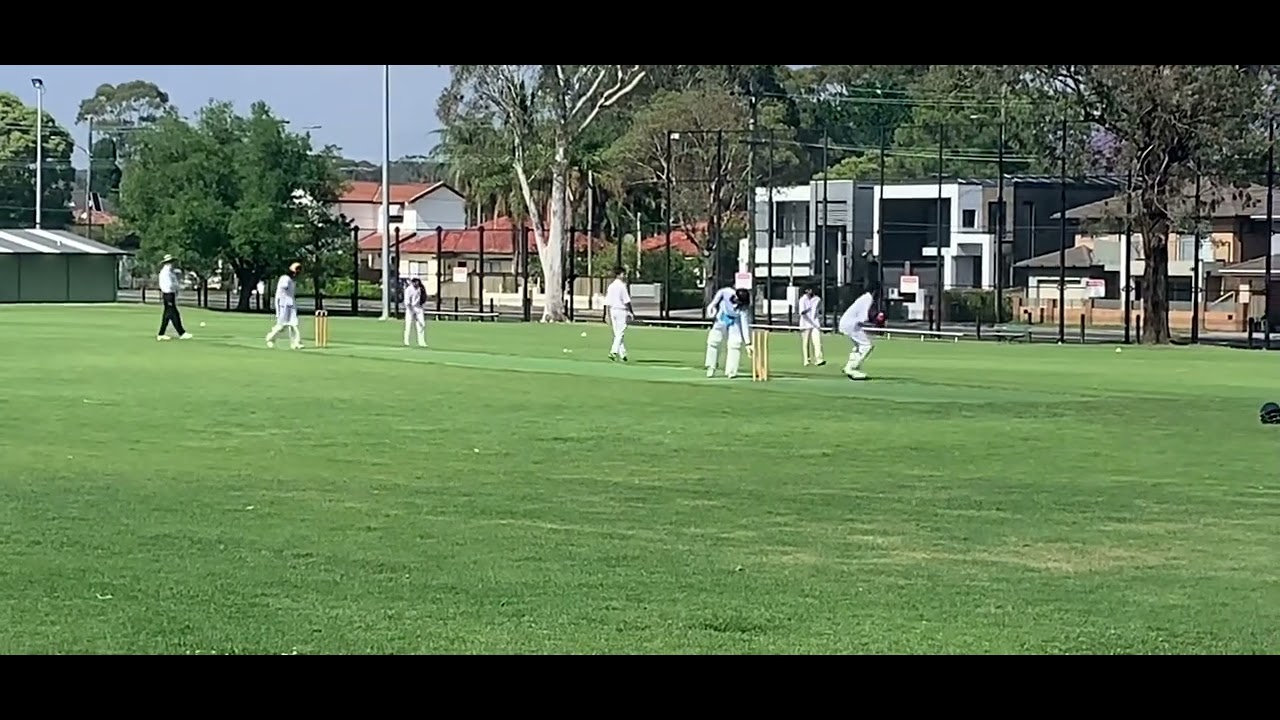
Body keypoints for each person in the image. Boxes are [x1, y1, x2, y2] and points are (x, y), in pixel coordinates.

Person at [704, 287, 753, 379]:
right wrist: (713, 304)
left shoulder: (743, 309)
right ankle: (711, 367)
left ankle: (731, 370)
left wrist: (748, 344)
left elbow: (744, 325)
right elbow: (721, 292)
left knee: (735, 344)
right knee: (713, 341)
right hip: (722, 317)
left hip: (734, 321)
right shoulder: (727, 292)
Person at [838, 283, 881, 380]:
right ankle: (852, 368)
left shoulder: (865, 298)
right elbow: (866, 315)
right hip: (850, 325)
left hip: (848, 324)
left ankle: (849, 366)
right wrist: (877, 318)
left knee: (858, 346)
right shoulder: (868, 299)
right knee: (867, 346)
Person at [266, 262, 302, 349]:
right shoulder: (285, 278)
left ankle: (295, 343)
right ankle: (270, 338)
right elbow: (283, 288)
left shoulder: (292, 281)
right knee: (281, 326)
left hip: (291, 304)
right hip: (283, 304)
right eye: (296, 271)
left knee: (294, 324)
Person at [156, 254, 192, 341]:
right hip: (168, 294)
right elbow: (169, 285)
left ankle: (161, 334)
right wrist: (178, 287)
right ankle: (181, 333)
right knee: (173, 314)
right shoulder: (166, 273)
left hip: (170, 294)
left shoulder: (169, 272)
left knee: (167, 315)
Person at [603, 266, 634, 361]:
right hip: (621, 310)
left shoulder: (611, 286)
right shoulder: (621, 286)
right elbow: (627, 300)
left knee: (617, 333)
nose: (624, 276)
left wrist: (606, 314)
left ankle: (623, 353)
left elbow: (607, 302)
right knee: (620, 332)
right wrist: (631, 312)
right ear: (619, 275)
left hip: (613, 310)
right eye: (623, 274)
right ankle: (613, 351)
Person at [798, 286, 825, 366]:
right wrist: (808, 310)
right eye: (808, 290)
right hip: (805, 323)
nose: (810, 291)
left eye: (811, 289)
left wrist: (819, 318)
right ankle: (806, 359)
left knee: (817, 341)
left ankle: (819, 359)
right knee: (806, 342)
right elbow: (802, 313)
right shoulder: (802, 300)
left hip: (815, 323)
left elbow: (819, 309)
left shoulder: (817, 299)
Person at [403, 277, 427, 347]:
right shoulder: (408, 290)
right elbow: (407, 301)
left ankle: (421, 341)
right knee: (408, 325)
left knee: (422, 324)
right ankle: (406, 341)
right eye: (415, 282)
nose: (416, 284)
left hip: (418, 308)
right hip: (410, 309)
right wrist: (411, 309)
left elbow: (423, 298)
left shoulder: (420, 288)